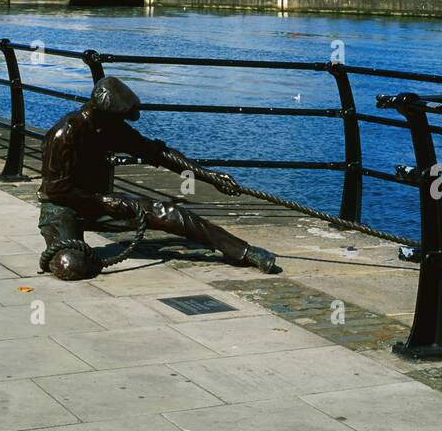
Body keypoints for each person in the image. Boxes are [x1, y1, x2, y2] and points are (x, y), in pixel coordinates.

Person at [37, 77, 279, 281]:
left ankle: (241, 251)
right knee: (71, 265)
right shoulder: (66, 133)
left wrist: (209, 177)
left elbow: (158, 154)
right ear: (103, 112)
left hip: (100, 203)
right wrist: (105, 203)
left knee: (170, 213)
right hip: (62, 207)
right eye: (118, 118)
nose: (121, 124)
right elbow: (56, 190)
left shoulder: (109, 128)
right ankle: (73, 249)